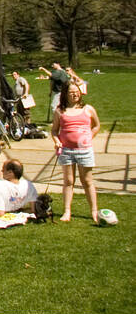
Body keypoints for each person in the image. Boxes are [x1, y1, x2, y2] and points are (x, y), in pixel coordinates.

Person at [52, 82, 100, 224]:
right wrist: (56, 141)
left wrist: (89, 137)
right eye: (71, 92)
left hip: (84, 151)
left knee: (87, 181)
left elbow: (96, 126)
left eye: (77, 91)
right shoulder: (60, 111)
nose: (75, 94)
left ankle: (94, 211)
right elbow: (54, 130)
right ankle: (67, 211)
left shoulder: (88, 109)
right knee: (68, 181)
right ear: (65, 94)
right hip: (66, 151)